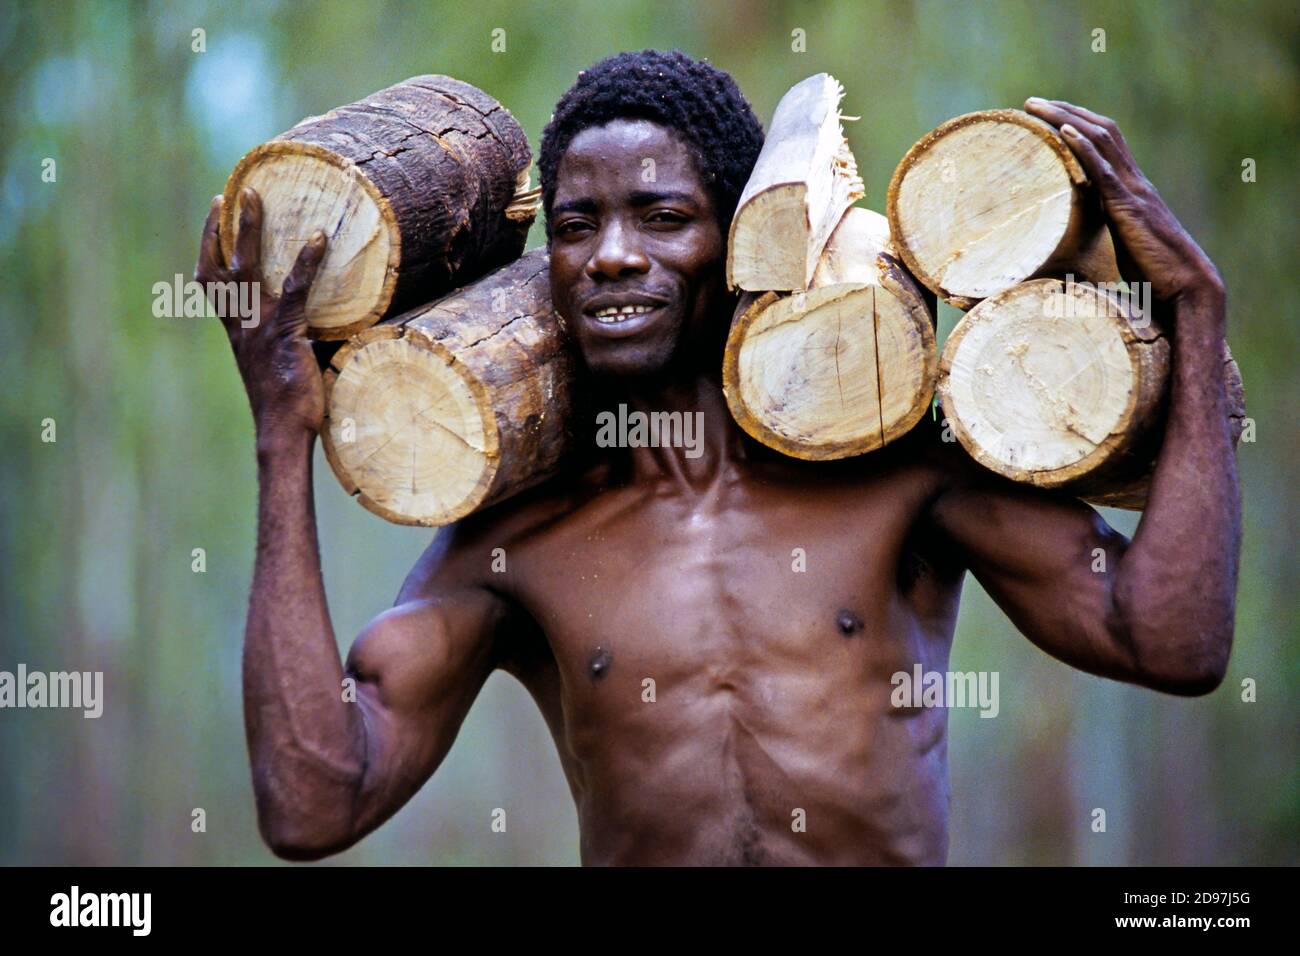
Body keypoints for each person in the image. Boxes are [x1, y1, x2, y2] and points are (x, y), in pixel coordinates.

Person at [195, 49, 1240, 865]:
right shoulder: (518, 541)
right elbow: (313, 803)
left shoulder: (899, 477)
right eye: (576, 224)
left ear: (737, 236)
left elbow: (1170, 644)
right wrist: (282, 440)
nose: (612, 253)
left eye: (661, 216)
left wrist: (1192, 311)